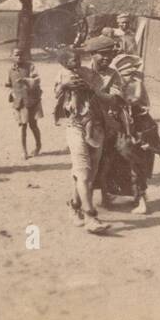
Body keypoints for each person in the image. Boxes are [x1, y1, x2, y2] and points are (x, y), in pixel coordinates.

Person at [53, 46, 111, 234]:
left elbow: (103, 94)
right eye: (71, 60)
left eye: (77, 59)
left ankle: (74, 204)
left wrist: (90, 88)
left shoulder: (90, 73)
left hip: (95, 125)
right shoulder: (62, 74)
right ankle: (90, 215)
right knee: (84, 172)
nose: (75, 62)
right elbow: (57, 96)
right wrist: (64, 86)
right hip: (74, 124)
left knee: (89, 174)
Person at [6, 47, 43, 159]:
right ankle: (24, 151)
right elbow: (8, 84)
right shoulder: (10, 70)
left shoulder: (30, 66)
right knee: (22, 126)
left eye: (21, 55)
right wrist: (11, 93)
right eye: (16, 55)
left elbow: (37, 80)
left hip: (31, 100)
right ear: (11, 57)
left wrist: (26, 80)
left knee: (33, 125)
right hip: (19, 102)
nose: (19, 57)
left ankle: (38, 145)